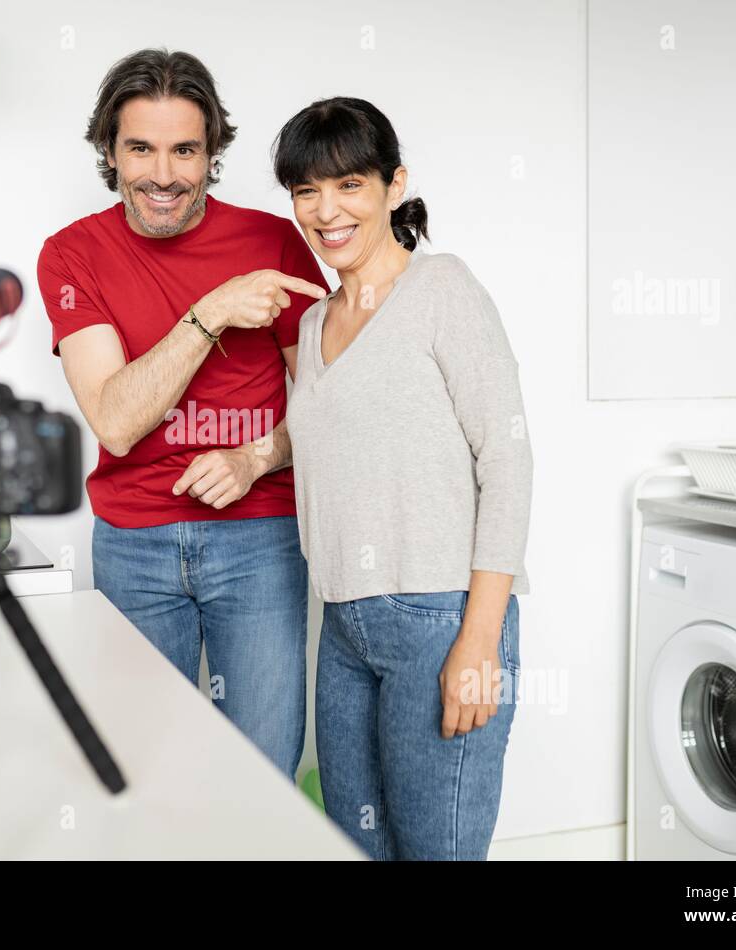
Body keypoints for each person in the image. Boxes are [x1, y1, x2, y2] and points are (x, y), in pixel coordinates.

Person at [36, 49, 329, 780]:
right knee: (142, 773)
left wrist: (256, 457)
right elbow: (115, 421)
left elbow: (333, 407)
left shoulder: (271, 243)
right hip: (133, 544)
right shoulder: (72, 255)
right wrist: (212, 312)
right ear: (110, 151)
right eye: (140, 148)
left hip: (260, 540)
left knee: (260, 772)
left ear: (212, 154)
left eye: (185, 150)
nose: (163, 175)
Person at [275, 97, 533, 858]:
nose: (326, 211)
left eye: (349, 185)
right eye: (305, 192)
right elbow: (336, 439)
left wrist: (479, 641)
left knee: (436, 851)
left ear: (395, 186)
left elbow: (509, 458)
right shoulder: (315, 323)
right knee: (359, 846)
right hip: (345, 626)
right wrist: (251, 456)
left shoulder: (443, 289)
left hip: (441, 617)